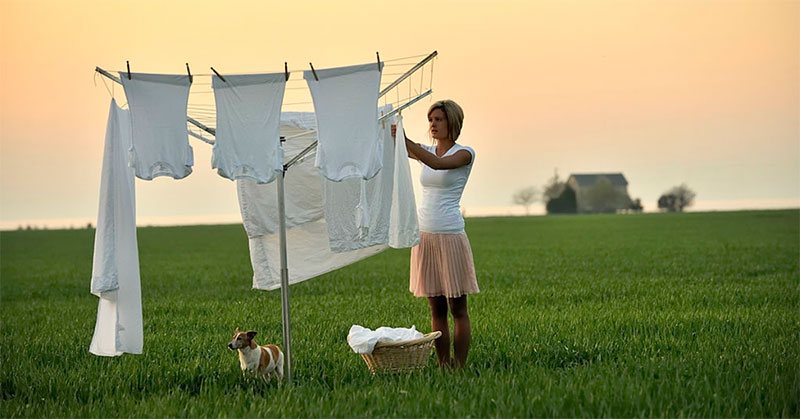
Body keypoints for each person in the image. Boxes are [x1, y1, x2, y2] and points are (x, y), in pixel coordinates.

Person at [394, 99, 479, 368]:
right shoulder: (426, 151)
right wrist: (393, 125)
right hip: (425, 236)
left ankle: (460, 366)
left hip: (450, 236)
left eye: (438, 119)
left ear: (452, 122)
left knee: (458, 308)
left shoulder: (464, 154)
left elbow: (437, 164)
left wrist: (409, 145)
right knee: (436, 308)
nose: (433, 124)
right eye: (431, 119)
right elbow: (404, 146)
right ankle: (444, 365)